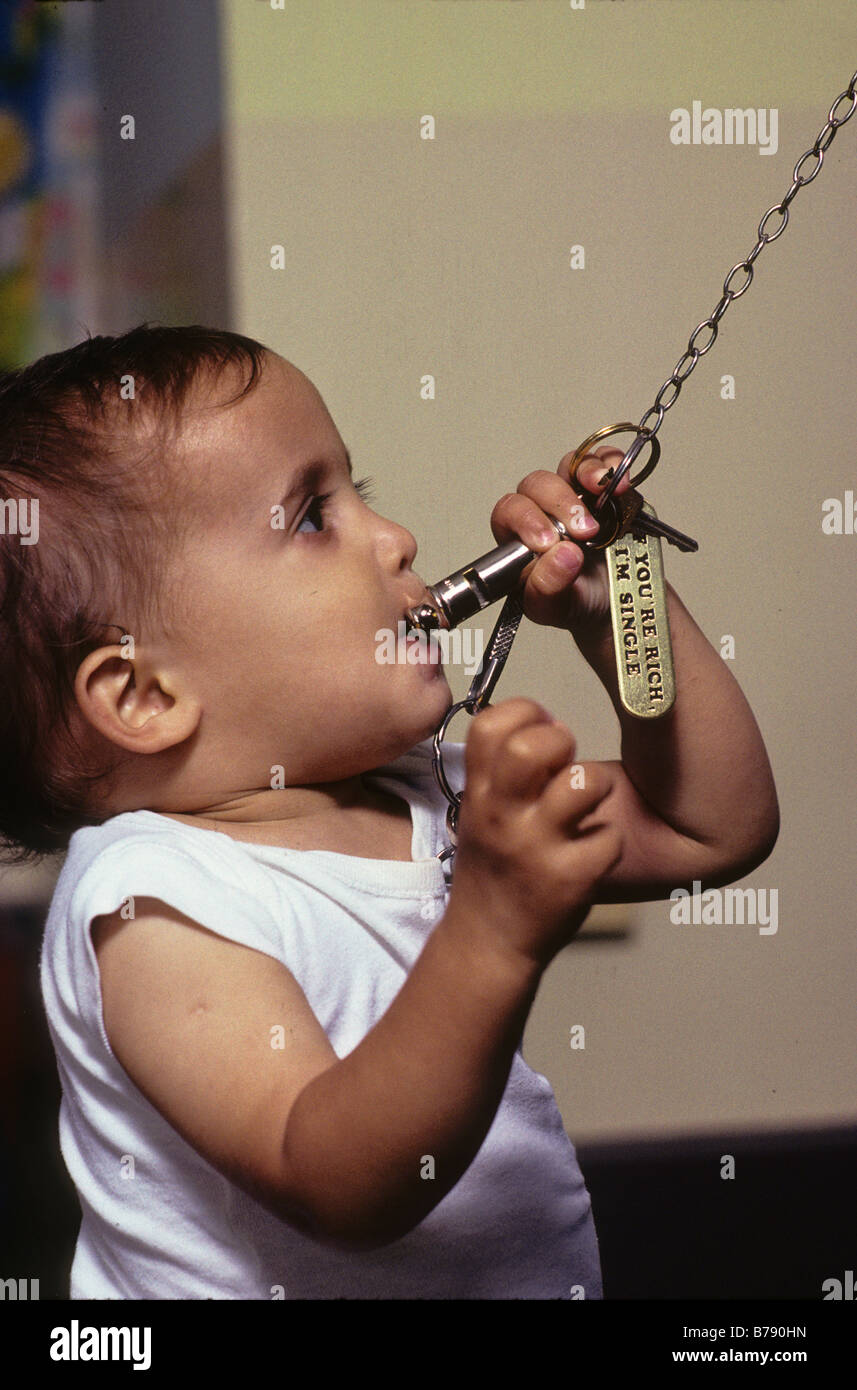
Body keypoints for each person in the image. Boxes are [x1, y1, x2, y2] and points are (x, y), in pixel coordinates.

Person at [0, 324, 778, 1298]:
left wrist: (621, 601)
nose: (395, 537)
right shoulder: (149, 901)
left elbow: (710, 827)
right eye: (312, 517)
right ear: (143, 696)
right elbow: (333, 1177)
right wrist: (491, 929)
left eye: (356, 491)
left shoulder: (421, 791)